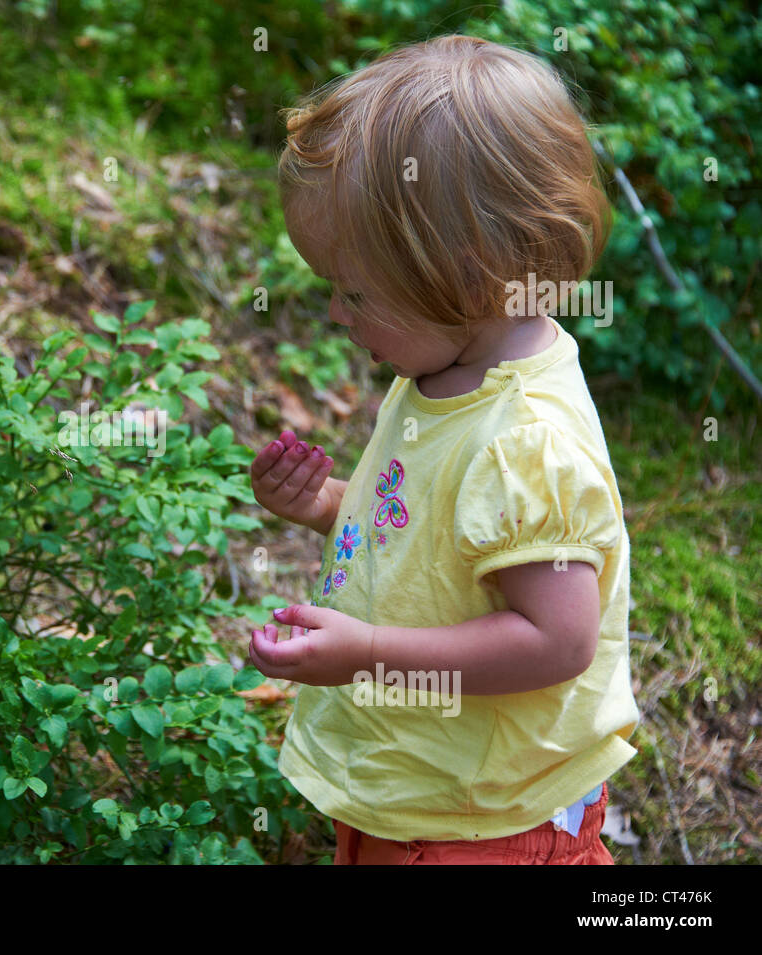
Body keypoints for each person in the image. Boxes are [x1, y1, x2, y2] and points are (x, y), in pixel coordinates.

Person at [248, 35, 638, 864]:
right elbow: (435, 539)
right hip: (424, 782)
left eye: (352, 292)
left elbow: (557, 639)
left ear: (464, 281)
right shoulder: (447, 367)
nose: (333, 315)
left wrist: (369, 655)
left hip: (487, 819)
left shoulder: (526, 441)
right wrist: (328, 505)